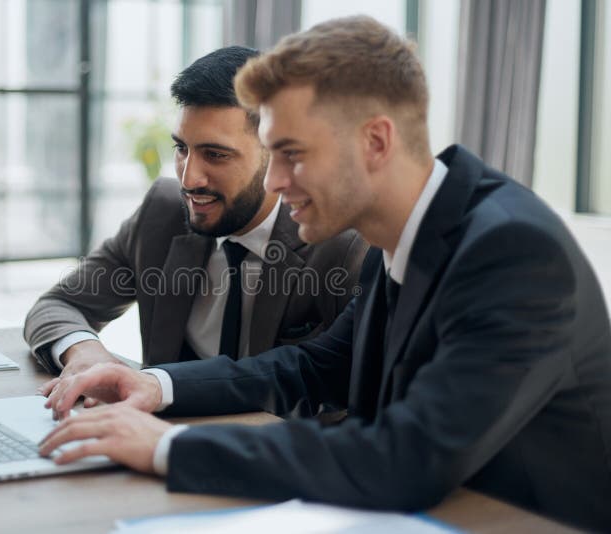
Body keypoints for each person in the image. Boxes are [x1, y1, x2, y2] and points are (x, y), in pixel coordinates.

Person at [37, 17, 611, 531]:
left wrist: (171, 448)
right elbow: (314, 367)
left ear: (375, 142)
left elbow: (406, 458)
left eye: (292, 154)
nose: (275, 181)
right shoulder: (411, 232)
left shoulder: (512, 252)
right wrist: (157, 385)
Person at [24, 46, 367, 417]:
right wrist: (84, 351)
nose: (189, 178)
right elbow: (59, 304)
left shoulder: (341, 243)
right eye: (182, 148)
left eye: (215, 154)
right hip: (148, 437)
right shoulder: (164, 213)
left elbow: (352, 391)